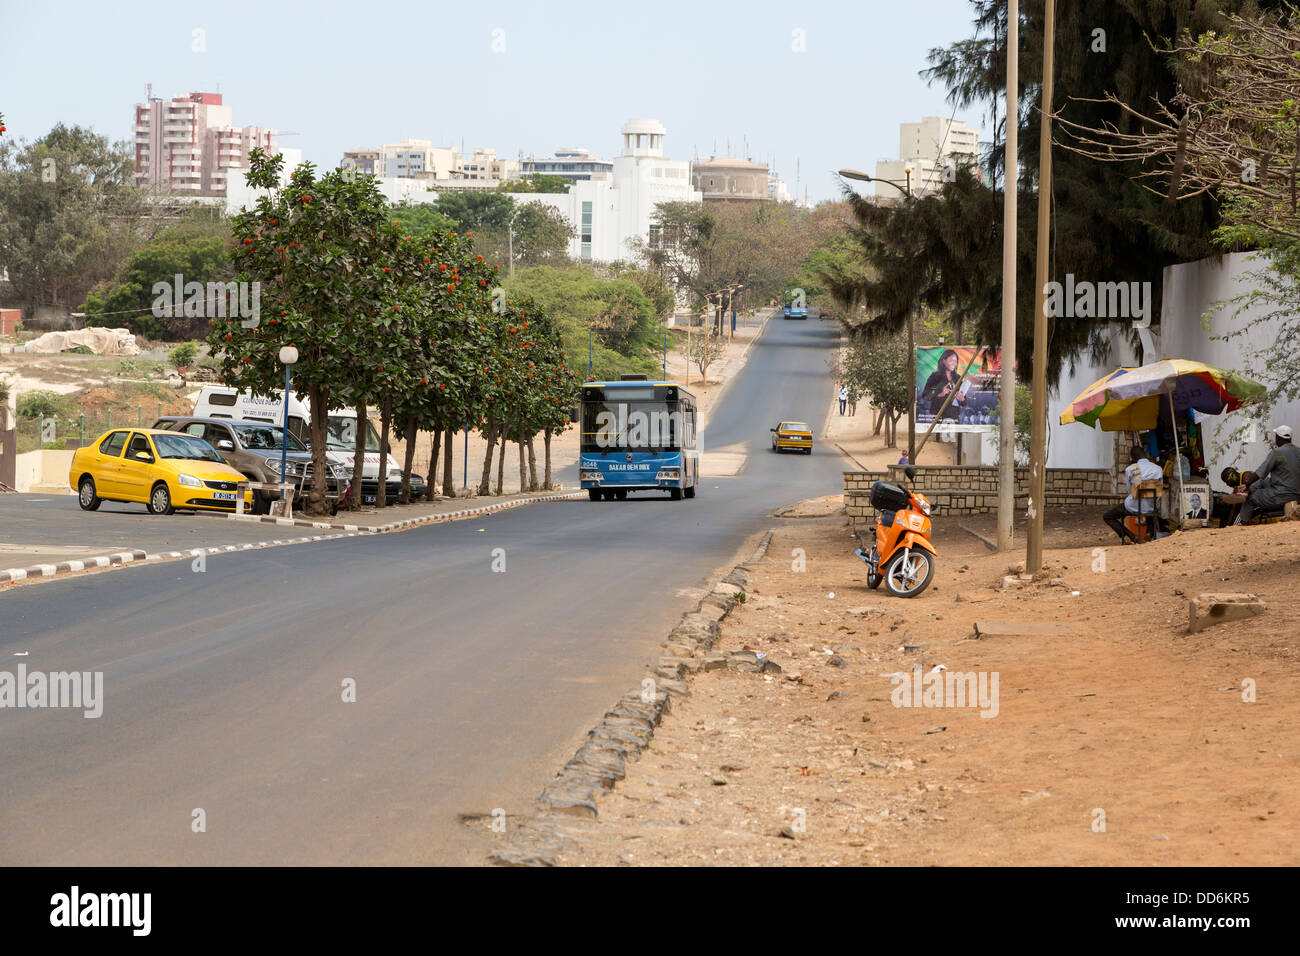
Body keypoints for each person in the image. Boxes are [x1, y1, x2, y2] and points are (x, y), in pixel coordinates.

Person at [1234, 425, 1300, 524]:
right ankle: (1248, 490)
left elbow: (1260, 473)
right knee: (1262, 482)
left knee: (1250, 498)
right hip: (1296, 493)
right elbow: (1261, 478)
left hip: (1281, 495)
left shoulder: (1277, 453)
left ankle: (1242, 522)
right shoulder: (1298, 451)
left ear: (1278, 438)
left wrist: (1246, 485)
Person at [1103, 445, 1164, 543]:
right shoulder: (1158, 469)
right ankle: (1150, 533)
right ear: (1145, 455)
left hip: (1133, 507)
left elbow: (1129, 490)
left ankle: (1132, 536)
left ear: (1133, 458)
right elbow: (1159, 490)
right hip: (1151, 507)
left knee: (1107, 516)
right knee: (1149, 508)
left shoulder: (1130, 469)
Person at [920, 349, 965, 420]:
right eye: (951, 360)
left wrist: (962, 399)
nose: (954, 363)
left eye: (955, 361)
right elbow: (925, 395)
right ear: (944, 361)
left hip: (954, 417)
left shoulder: (958, 378)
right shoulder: (935, 376)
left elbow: (965, 402)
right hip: (938, 417)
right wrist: (940, 394)